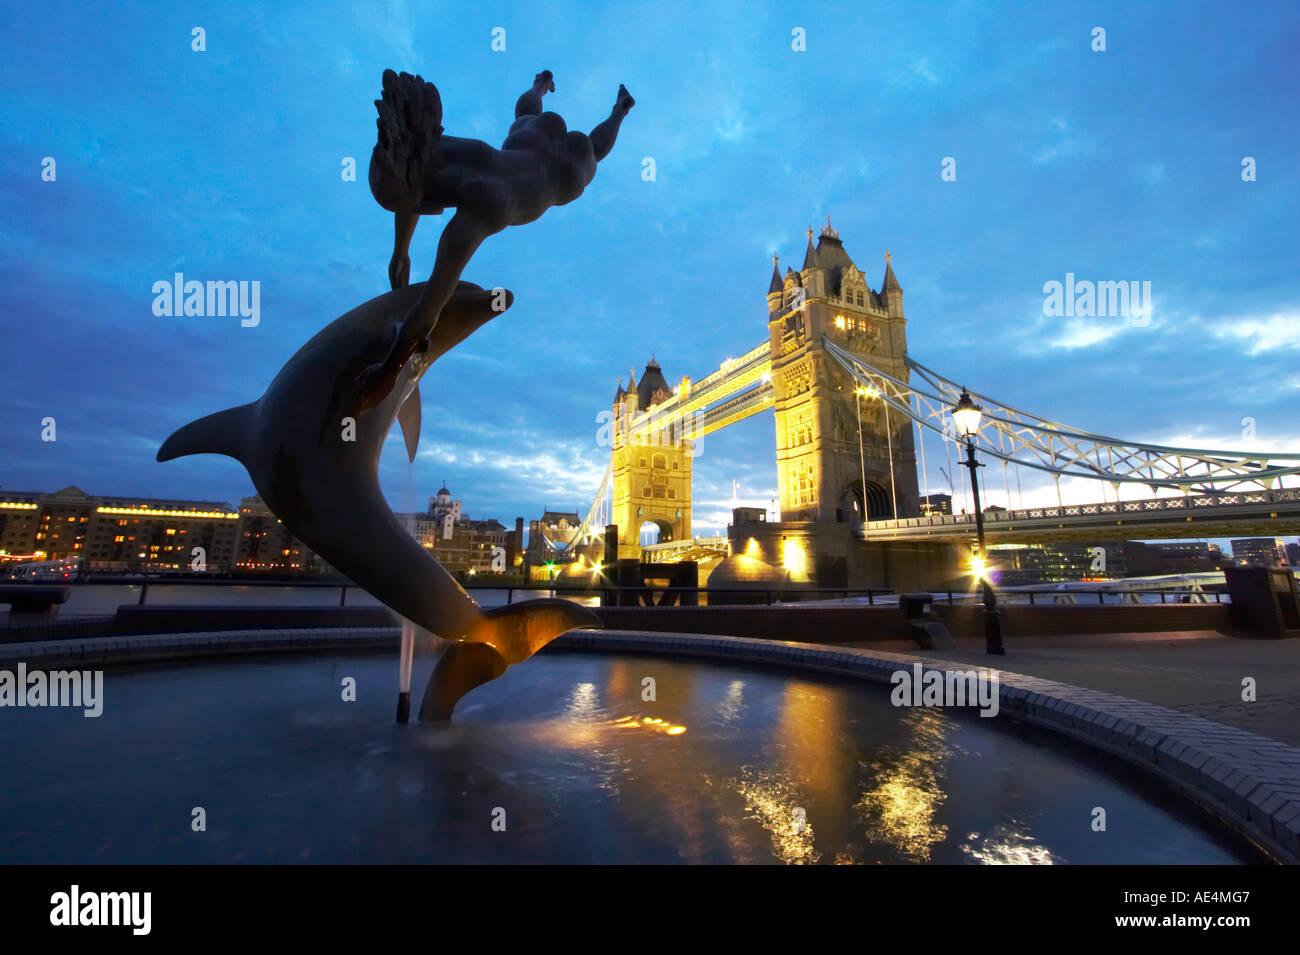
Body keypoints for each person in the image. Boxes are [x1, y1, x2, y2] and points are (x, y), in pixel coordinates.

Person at [358, 69, 634, 411]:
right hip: (528, 141)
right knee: (527, 117)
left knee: (590, 150)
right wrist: (400, 252)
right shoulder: (441, 148)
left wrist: (389, 370)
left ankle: (616, 110)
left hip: (563, 174)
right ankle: (553, 89)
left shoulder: (482, 208)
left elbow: (429, 308)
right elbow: (411, 183)